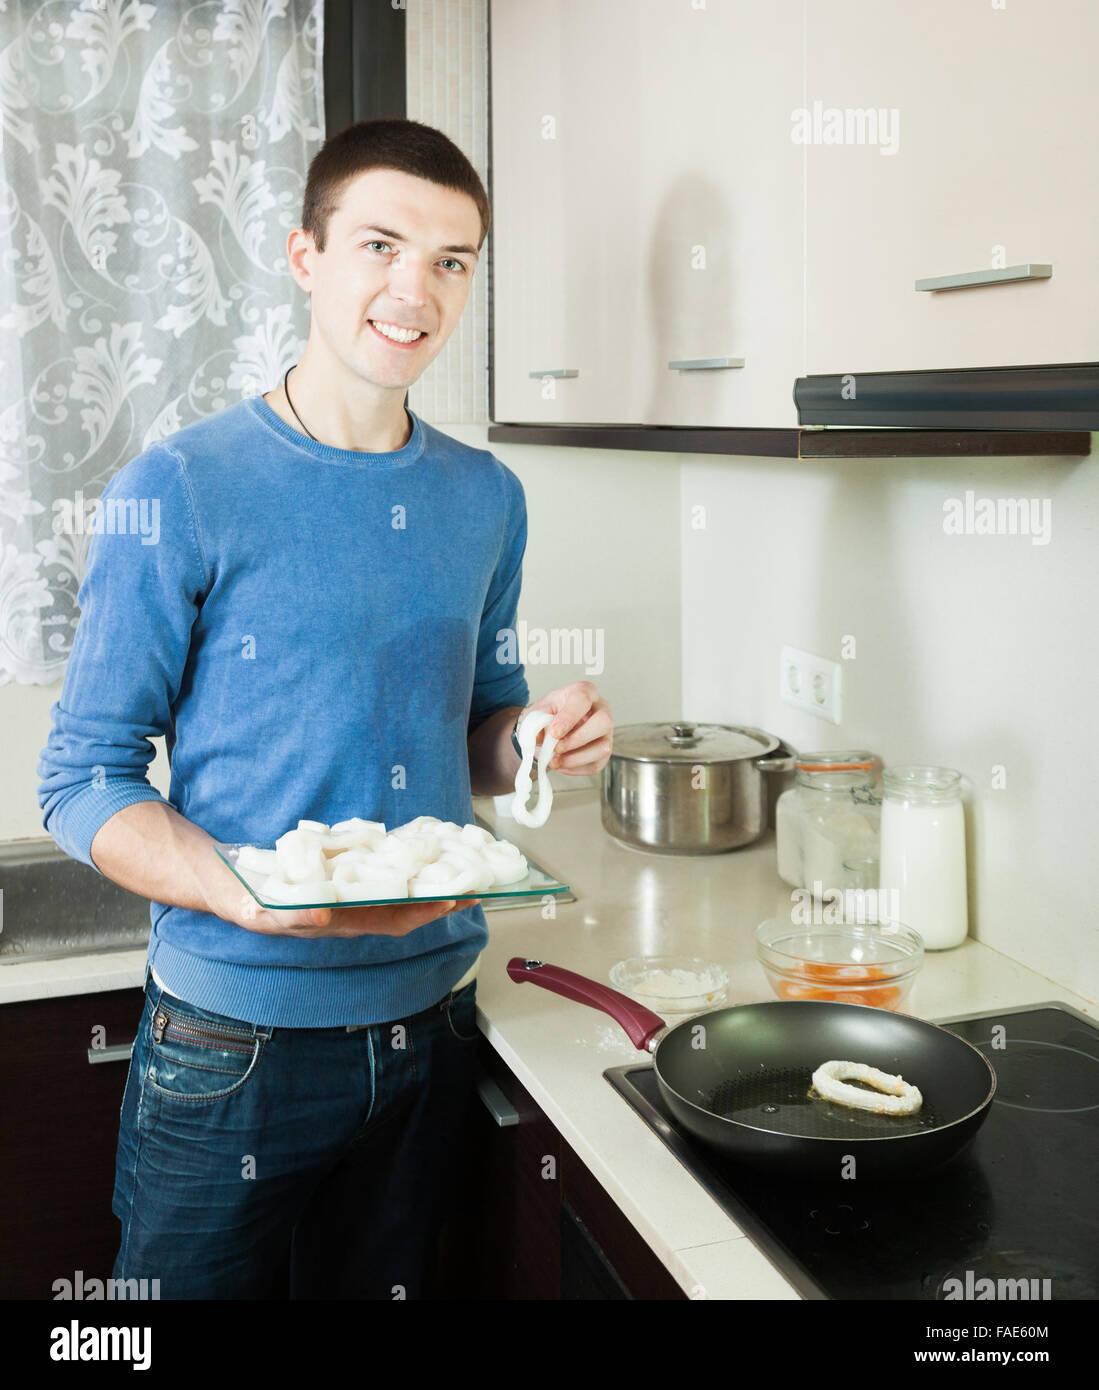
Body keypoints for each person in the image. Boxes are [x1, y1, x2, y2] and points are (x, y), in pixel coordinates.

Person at [37, 118, 613, 1300]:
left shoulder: (485, 497)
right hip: (231, 1045)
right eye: (381, 246)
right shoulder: (182, 488)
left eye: (452, 260)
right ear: (306, 256)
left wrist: (535, 741)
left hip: (433, 1023)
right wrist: (237, 890)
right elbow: (83, 778)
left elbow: (479, 729)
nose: (416, 290)